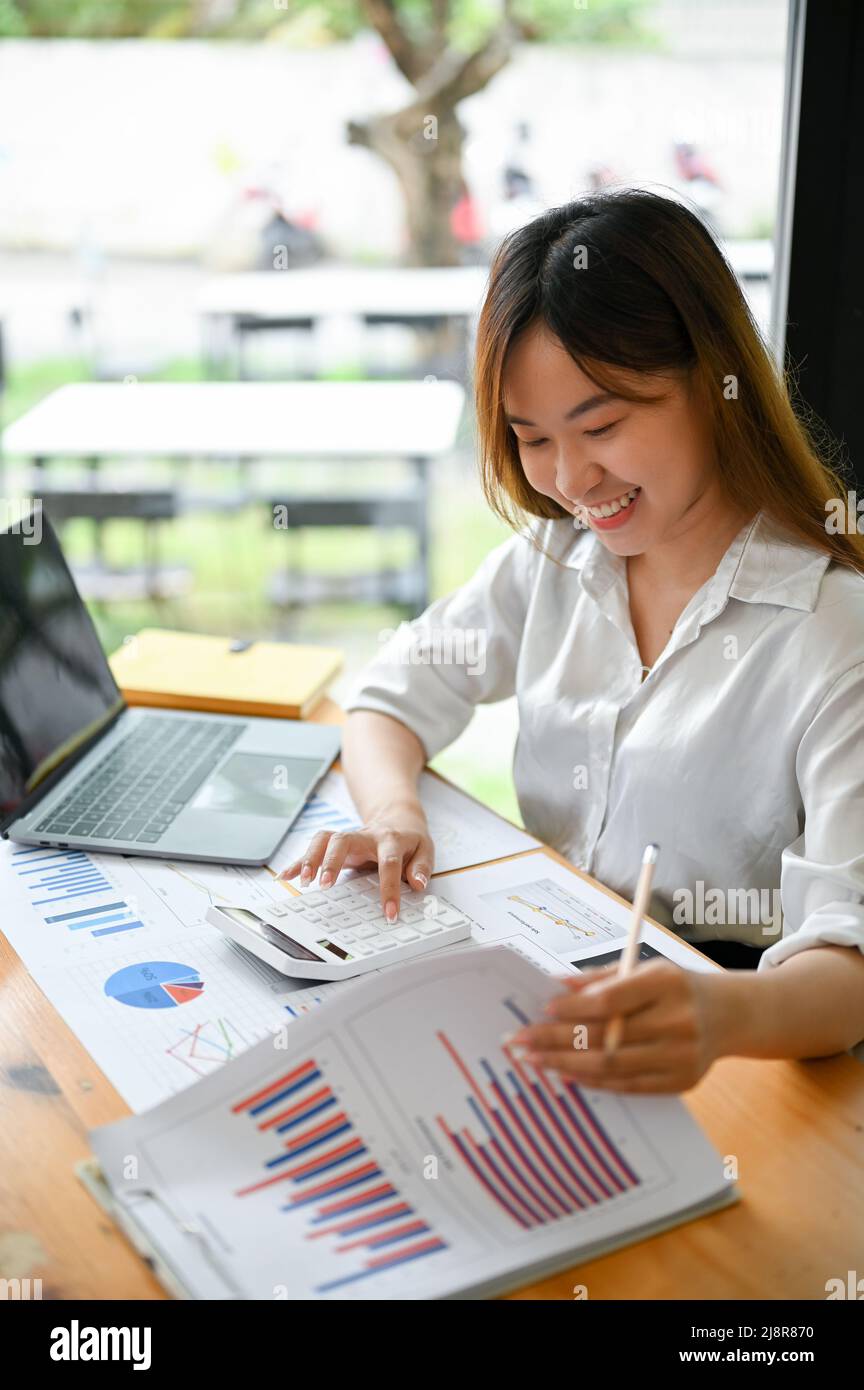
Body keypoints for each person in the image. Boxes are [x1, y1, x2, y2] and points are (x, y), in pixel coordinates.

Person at [279, 189, 864, 1092]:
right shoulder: (556, 559)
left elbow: (847, 972)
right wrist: (393, 816)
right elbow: (389, 695)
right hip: (549, 1005)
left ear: (715, 383)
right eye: (532, 439)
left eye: (602, 426)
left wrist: (717, 1015)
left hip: (736, 1051)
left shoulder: (834, 632)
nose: (570, 479)